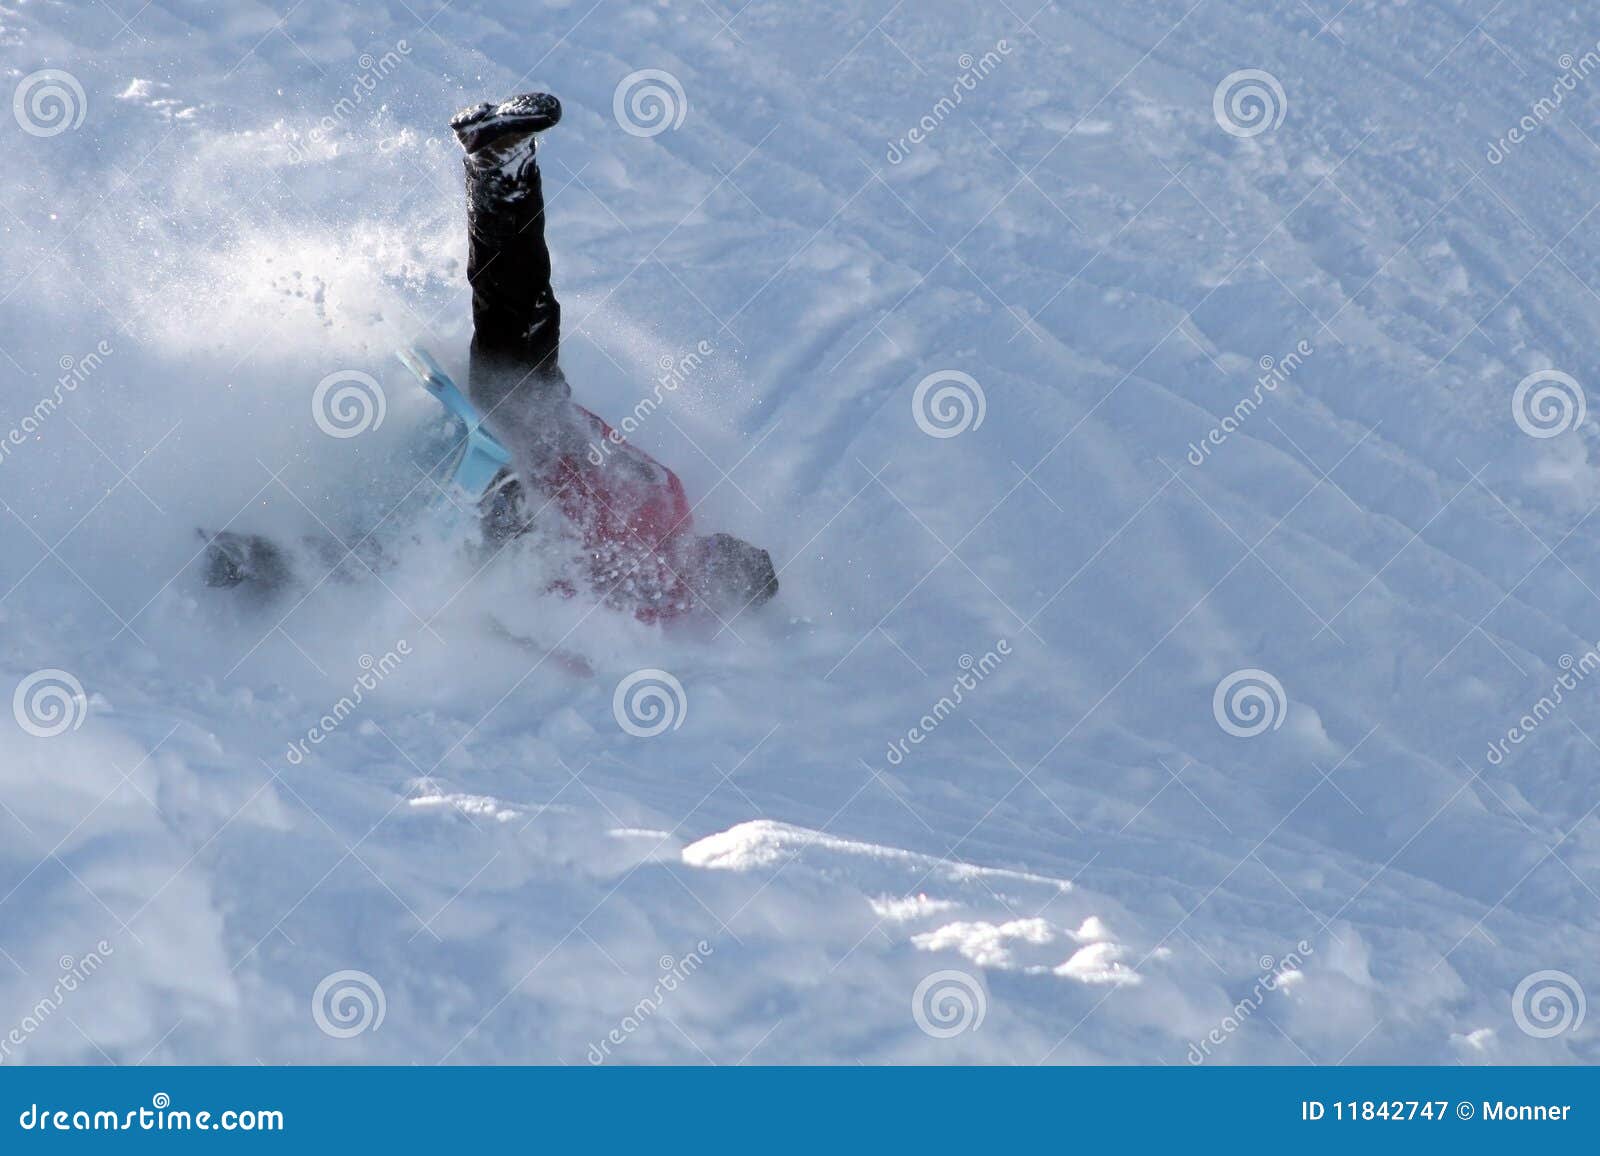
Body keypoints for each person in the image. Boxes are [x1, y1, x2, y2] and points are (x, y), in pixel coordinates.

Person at [207, 93, 777, 624]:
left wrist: (522, 531)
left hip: (507, 522)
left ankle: (259, 559)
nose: (717, 564)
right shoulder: (670, 501)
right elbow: (597, 444)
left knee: (398, 557)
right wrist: (539, 436)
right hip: (527, 442)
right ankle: (500, 162)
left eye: (729, 577)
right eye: (731, 558)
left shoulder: (659, 600)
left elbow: (557, 612)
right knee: (525, 313)